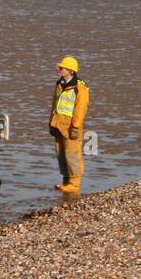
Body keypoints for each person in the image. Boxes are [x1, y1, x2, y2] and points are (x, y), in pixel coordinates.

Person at [49, 56, 90, 193]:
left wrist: (76, 126)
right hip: (58, 124)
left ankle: (74, 184)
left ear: (70, 71)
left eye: (62, 68)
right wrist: (51, 123)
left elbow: (81, 108)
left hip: (71, 126)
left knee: (72, 154)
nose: (59, 69)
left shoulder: (80, 87)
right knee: (61, 153)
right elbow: (55, 105)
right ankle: (66, 181)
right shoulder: (60, 84)